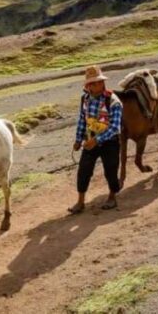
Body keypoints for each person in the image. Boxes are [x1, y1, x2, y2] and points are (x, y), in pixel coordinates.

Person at [69, 65, 123, 214]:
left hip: (109, 142)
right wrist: (79, 139)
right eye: (91, 83)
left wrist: (98, 140)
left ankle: (112, 197)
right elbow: (82, 120)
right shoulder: (85, 99)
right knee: (84, 170)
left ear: (102, 83)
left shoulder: (113, 101)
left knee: (111, 170)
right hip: (90, 140)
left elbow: (115, 127)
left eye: (97, 82)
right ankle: (80, 202)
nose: (94, 85)